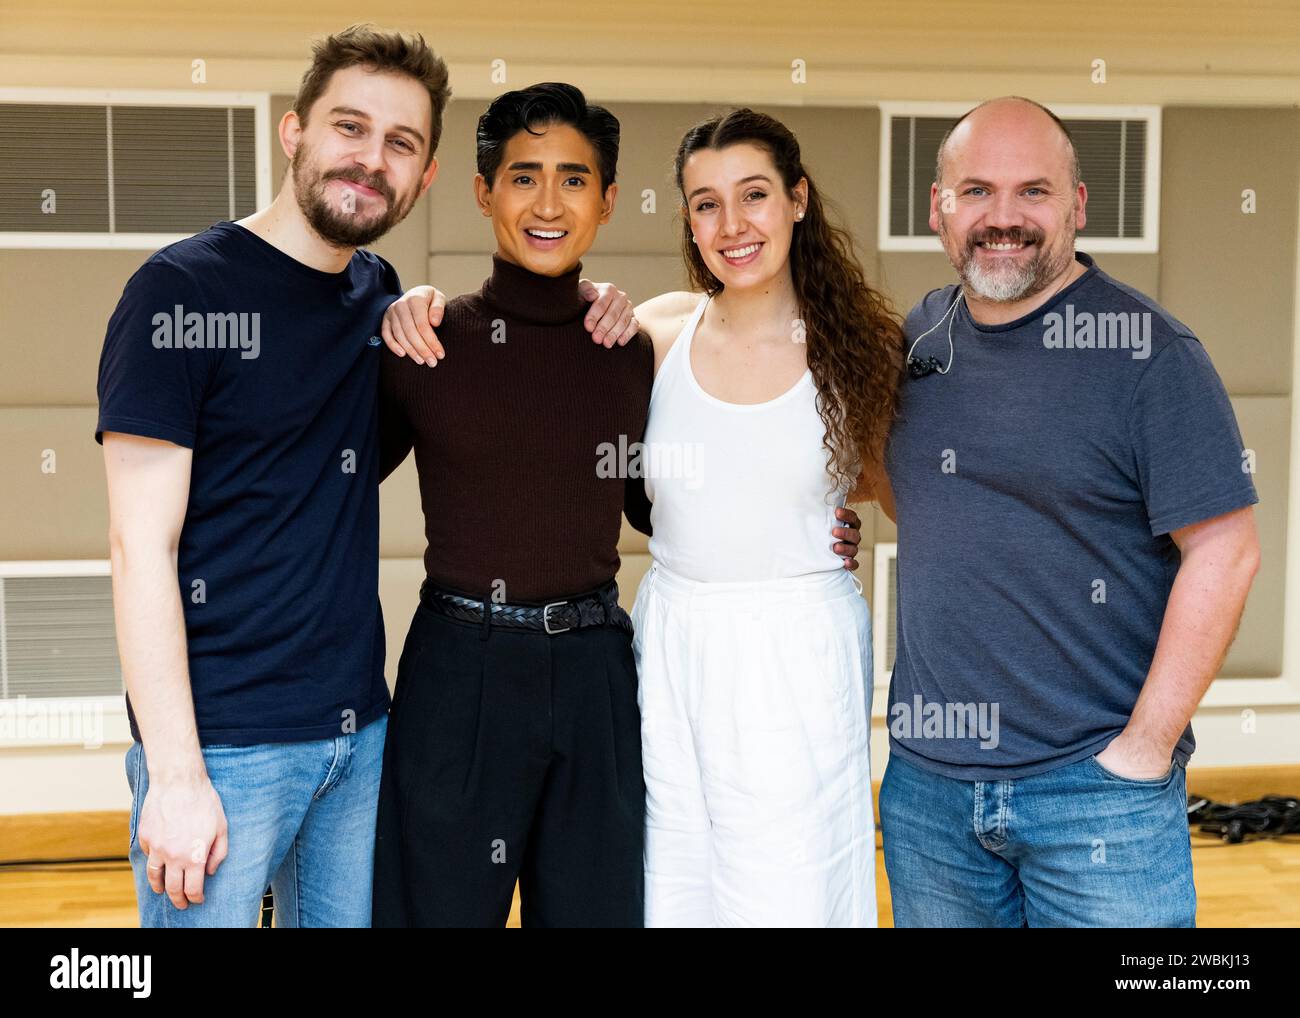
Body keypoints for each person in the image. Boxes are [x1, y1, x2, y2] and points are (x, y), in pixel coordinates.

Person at [97, 27, 636, 928]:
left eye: (400, 143)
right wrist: (176, 772)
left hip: (361, 735)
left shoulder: (384, 302)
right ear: (293, 131)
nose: (370, 159)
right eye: (350, 127)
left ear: (425, 178)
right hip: (226, 749)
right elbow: (136, 546)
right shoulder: (179, 293)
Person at [372, 87, 868, 928]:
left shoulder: (628, 347)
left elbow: (655, 499)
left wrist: (809, 532)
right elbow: (321, 485)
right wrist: (394, 302)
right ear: (482, 190)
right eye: (523, 177)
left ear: (607, 201)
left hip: (598, 673)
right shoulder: (425, 345)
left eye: (575, 179)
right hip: (461, 675)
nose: (548, 202)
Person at [876, 96, 1261, 927]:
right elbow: (923, 499)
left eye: (1034, 193)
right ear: (938, 206)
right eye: (976, 191)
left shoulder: (1151, 355)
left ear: (1079, 205)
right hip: (929, 796)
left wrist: (1145, 749)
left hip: (1095, 793)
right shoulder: (919, 339)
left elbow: (1226, 552)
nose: (1002, 218)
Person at [628, 108, 905, 926]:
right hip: (673, 639)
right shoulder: (655, 331)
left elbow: (896, 491)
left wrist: (816, 514)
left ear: (798, 201)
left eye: (754, 195)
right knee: (671, 885)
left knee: (789, 892)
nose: (732, 224)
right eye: (706, 202)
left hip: (797, 647)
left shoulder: (856, 348)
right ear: (687, 218)